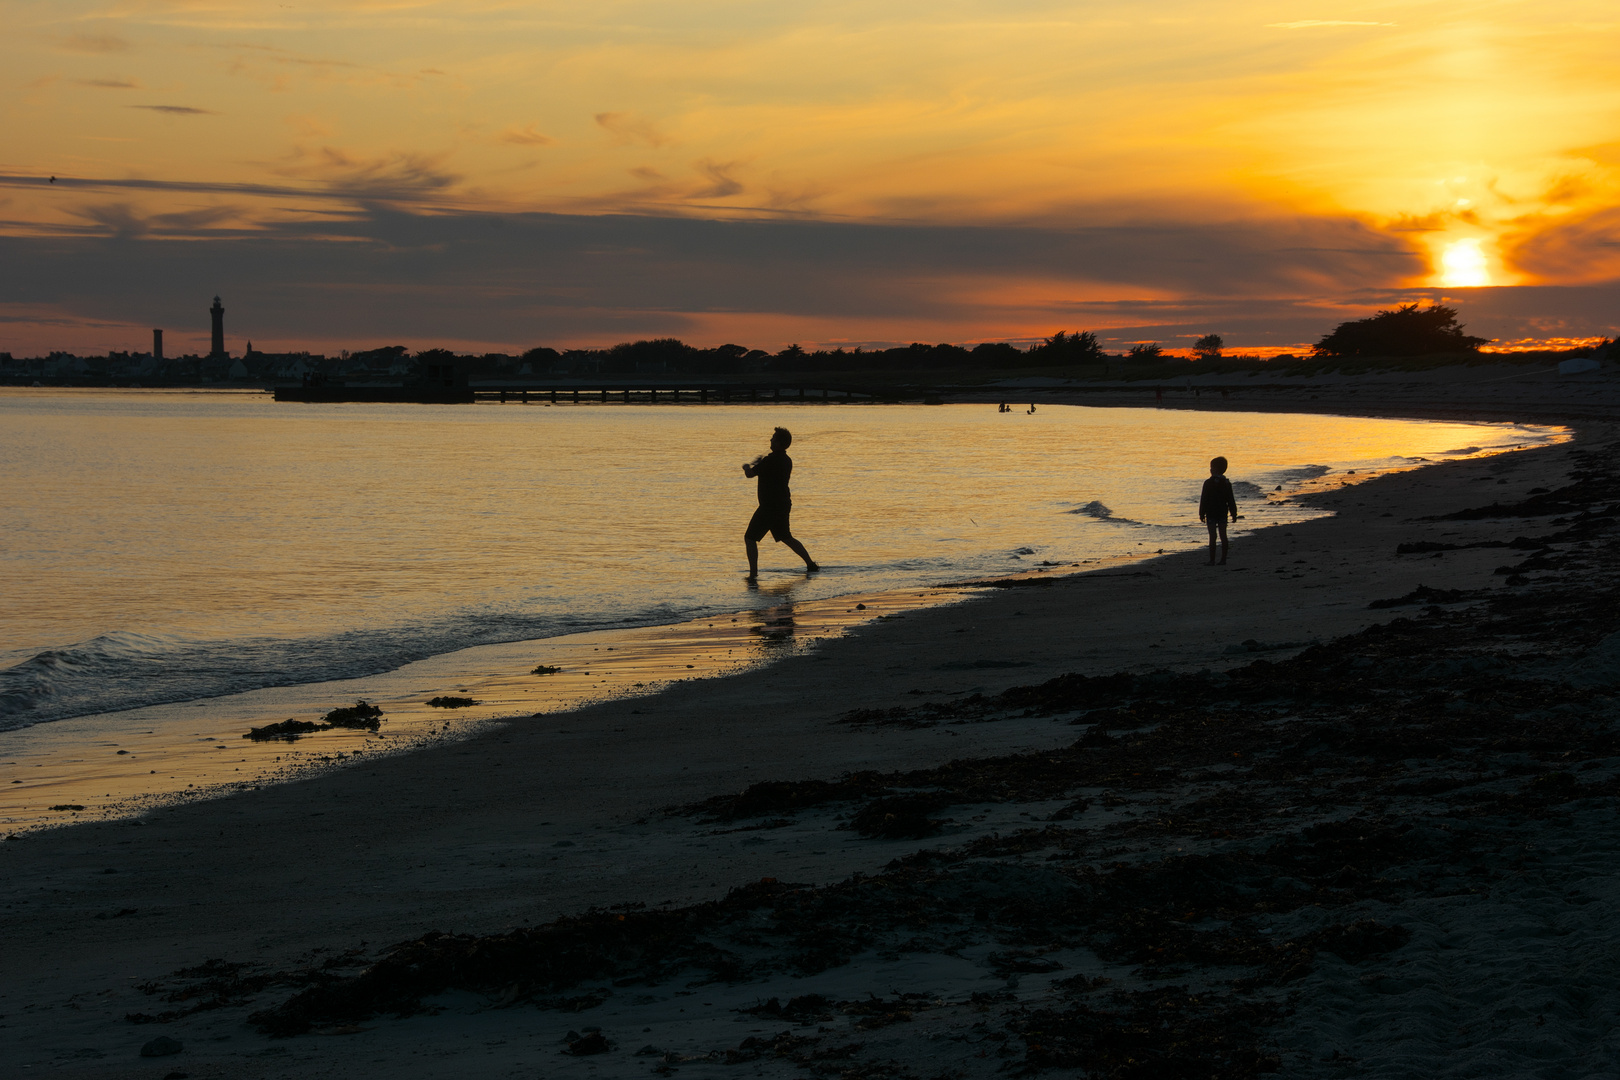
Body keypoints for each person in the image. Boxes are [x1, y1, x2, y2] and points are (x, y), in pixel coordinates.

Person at [742, 427, 817, 581]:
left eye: (773, 438)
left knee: (750, 538)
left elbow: (750, 474)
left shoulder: (771, 460)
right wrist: (760, 464)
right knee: (786, 537)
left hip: (769, 506)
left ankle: (753, 574)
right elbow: (767, 471)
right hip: (782, 504)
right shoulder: (785, 460)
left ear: (779, 443)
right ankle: (810, 564)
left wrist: (747, 466)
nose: (770, 440)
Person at [1199, 456, 1238, 565]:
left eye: (1212, 467)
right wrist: (1233, 513)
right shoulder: (1226, 483)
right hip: (1222, 512)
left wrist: (1201, 513)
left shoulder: (1208, 483)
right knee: (1223, 535)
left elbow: (1204, 499)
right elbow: (1231, 500)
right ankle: (1223, 559)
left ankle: (1212, 560)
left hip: (1211, 513)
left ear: (1215, 469)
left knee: (1213, 536)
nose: (1210, 469)